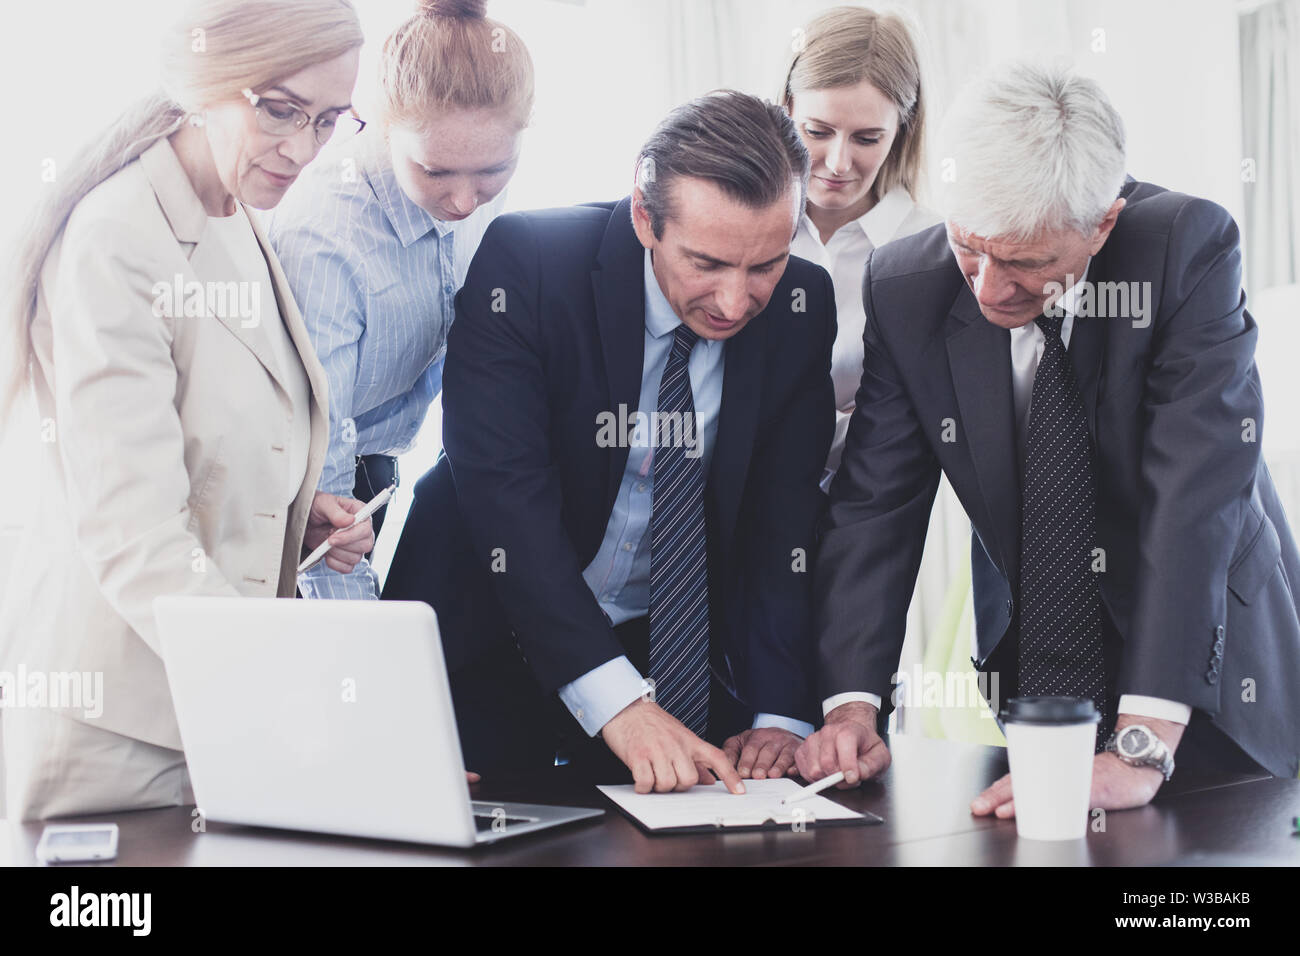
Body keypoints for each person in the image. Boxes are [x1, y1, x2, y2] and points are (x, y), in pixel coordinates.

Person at [797, 62, 1300, 814]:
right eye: (971, 247)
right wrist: (851, 706)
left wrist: (1142, 740)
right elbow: (877, 504)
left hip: (1212, 665)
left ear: (1103, 222)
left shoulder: (1184, 251)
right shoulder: (907, 283)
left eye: (1030, 264)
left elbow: (1191, 501)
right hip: (1039, 666)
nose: (991, 288)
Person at [383, 91, 837, 793]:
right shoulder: (531, 265)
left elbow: (782, 525)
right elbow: (506, 498)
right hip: (485, 643)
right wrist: (618, 702)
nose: (734, 300)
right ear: (644, 217)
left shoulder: (803, 307)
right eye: (707, 263)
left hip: (671, 657)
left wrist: (782, 713)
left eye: (765, 265)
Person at [0, 0, 372, 821]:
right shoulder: (117, 239)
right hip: (118, 728)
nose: (303, 150)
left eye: (329, 121)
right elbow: (134, 532)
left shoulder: (234, 209)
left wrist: (290, 510)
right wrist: (287, 697)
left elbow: (213, 429)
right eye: (280, 111)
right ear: (206, 79)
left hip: (209, 712)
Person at [271, 0, 533, 600]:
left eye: (493, 170)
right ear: (378, 125)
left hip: (385, 462)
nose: (467, 201)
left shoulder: (474, 170)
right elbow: (322, 449)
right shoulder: (326, 234)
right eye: (436, 172)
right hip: (307, 479)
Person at [781, 6, 941, 484]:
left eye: (868, 138)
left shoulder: (932, 249)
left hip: (863, 523)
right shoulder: (740, 230)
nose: (837, 162)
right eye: (817, 131)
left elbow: (907, 433)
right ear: (785, 108)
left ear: (902, 131)